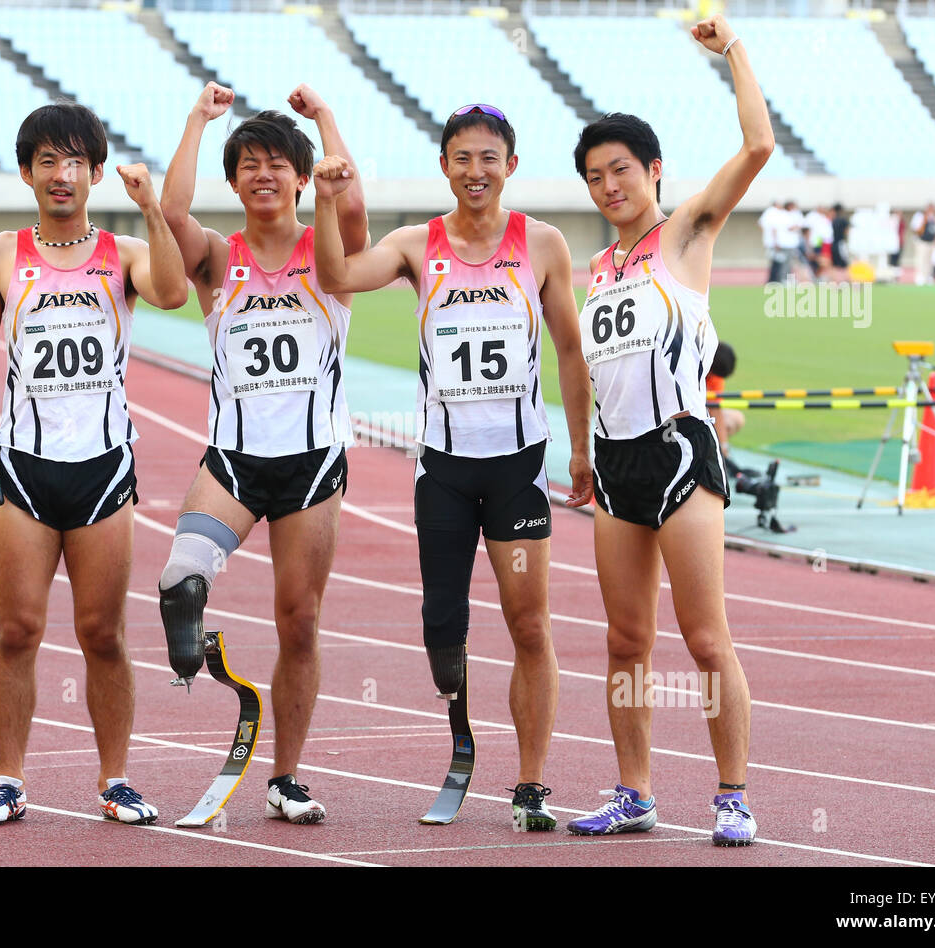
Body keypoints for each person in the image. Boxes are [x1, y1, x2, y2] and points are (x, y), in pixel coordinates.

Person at [311, 105, 592, 831]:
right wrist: (327, 199)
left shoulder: (544, 244)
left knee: (530, 625)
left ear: (510, 166)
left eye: (488, 157)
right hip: (443, 470)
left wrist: (581, 447)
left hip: (517, 468)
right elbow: (337, 274)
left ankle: (530, 784)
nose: (475, 171)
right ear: (443, 166)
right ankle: (461, 734)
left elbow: (569, 348)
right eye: (462, 158)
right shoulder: (416, 244)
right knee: (443, 627)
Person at [563, 13, 766, 847]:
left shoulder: (685, 233)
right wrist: (581, 452)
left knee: (706, 639)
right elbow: (590, 369)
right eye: (594, 176)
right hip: (615, 463)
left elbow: (757, 147)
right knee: (624, 642)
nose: (608, 185)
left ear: (653, 170)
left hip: (680, 450)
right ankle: (634, 793)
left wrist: (734, 52)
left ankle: (732, 796)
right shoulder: (597, 268)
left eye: (621, 169)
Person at [0, 103, 188, 825]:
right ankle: (8, 780)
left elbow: (175, 292)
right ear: (26, 173)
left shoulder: (124, 253)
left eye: (75, 163)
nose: (62, 175)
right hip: (25, 470)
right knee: (17, 631)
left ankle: (116, 780)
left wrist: (151, 208)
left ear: (95, 173)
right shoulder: (0, 254)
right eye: (47, 162)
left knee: (103, 635)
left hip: (102, 470)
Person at [156, 82, 368, 824]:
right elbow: (171, 215)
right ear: (235, 180)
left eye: (278, 164)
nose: (264, 175)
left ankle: (286, 777)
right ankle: (189, 633)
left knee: (298, 623)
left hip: (312, 463)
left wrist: (327, 119)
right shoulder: (219, 258)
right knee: (180, 578)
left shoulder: (330, 252)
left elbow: (351, 205)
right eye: (249, 165)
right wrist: (196, 119)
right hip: (234, 460)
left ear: (302, 178)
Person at [909, 202, 935, 286]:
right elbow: (917, 230)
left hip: (931, 242)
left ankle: (928, 276)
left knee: (929, 260)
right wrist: (925, 220)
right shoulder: (920, 215)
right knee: (921, 259)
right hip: (922, 241)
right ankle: (920, 276)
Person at [830, 203, 850, 275]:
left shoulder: (833, 220)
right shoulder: (843, 220)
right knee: (844, 262)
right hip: (841, 243)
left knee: (836, 263)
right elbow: (846, 232)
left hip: (834, 243)